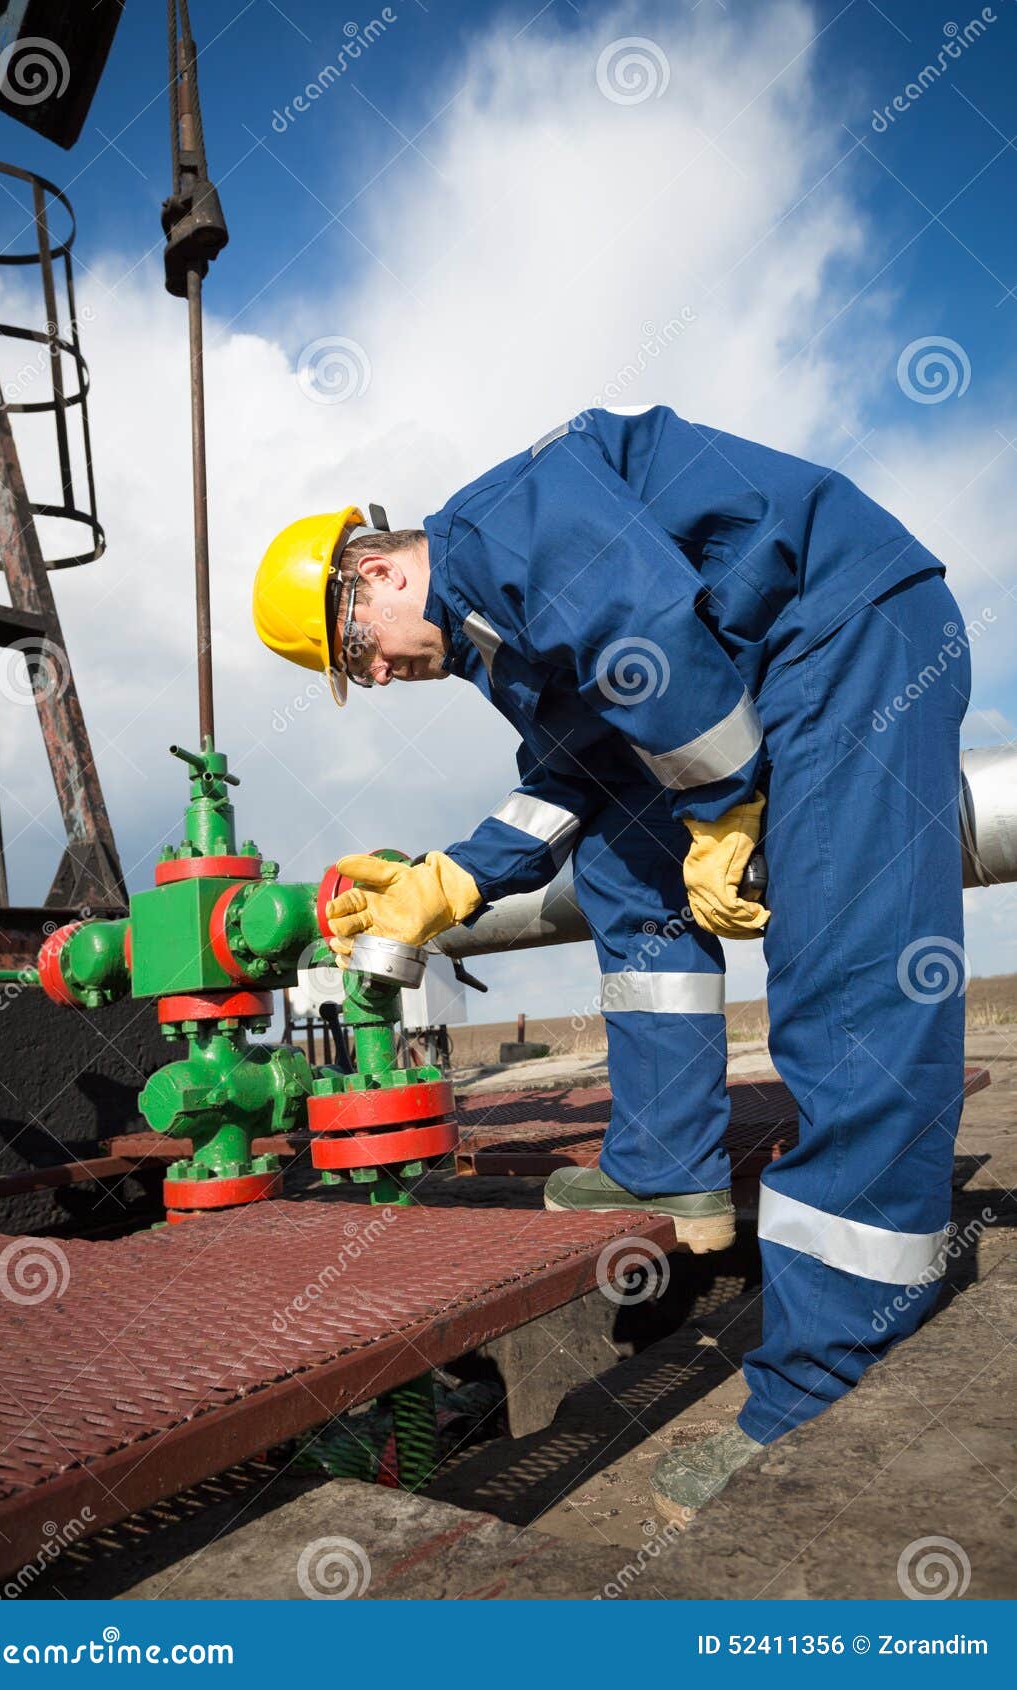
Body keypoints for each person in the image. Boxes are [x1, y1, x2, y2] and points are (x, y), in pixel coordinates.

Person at [252, 406, 969, 1521]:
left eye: (357, 653)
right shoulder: (495, 631)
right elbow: (571, 771)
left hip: (844, 639)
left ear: (376, 570)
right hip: (766, 673)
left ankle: (830, 1358)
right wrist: (442, 882)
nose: (378, 677)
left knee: (841, 979)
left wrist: (726, 811)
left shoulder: (506, 523)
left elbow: (645, 631)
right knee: (631, 865)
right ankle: (664, 1160)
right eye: (355, 673)